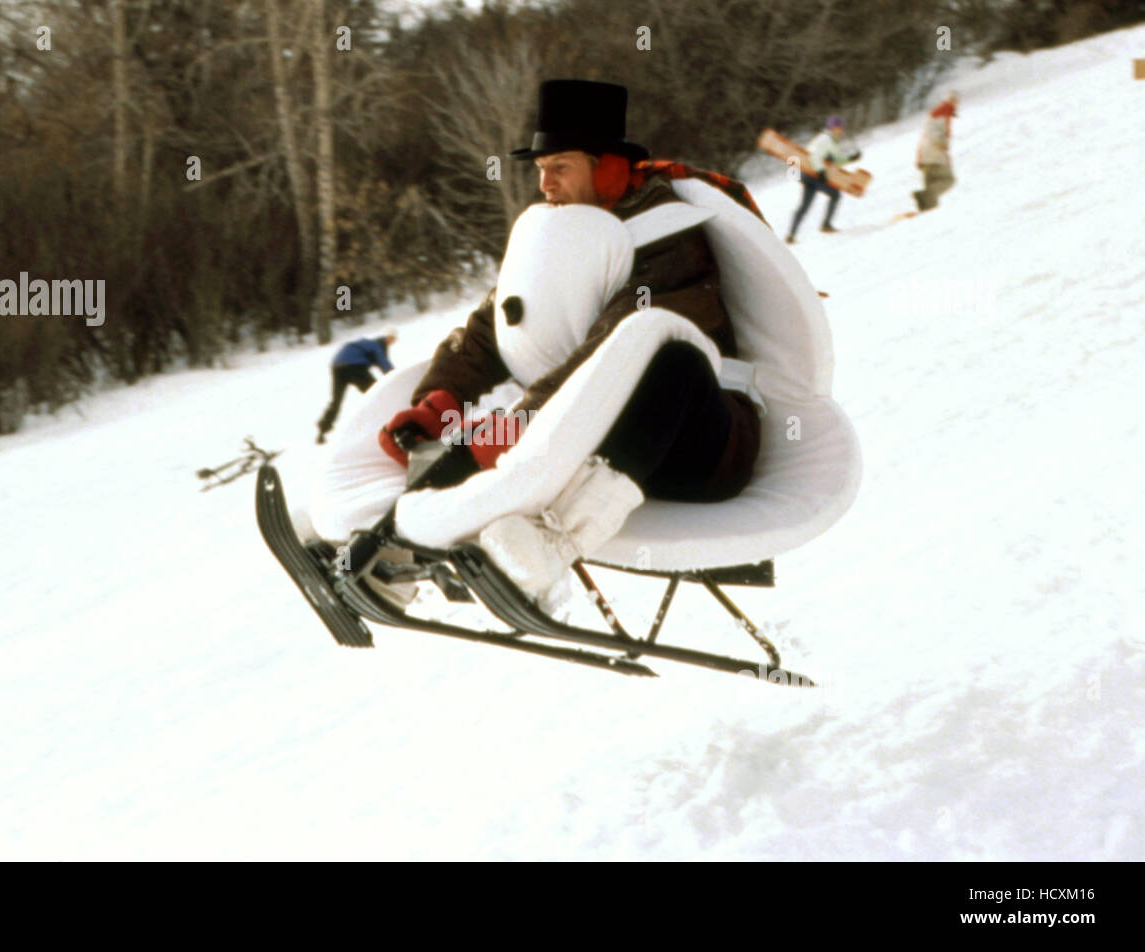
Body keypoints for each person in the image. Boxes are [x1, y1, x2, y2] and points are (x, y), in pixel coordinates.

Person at [376, 79, 766, 611]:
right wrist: (439, 401)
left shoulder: (668, 237)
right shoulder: (568, 232)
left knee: (666, 355)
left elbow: (614, 349)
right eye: (540, 169)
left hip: (700, 443)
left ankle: (553, 548)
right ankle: (385, 559)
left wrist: (524, 423)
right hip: (598, 436)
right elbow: (499, 322)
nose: (545, 183)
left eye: (559, 166)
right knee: (469, 445)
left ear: (606, 167)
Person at [786, 115, 861, 244]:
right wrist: (820, 171)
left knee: (804, 206)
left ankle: (791, 235)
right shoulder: (826, 140)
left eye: (841, 127)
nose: (841, 130)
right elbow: (815, 156)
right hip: (814, 176)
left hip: (808, 175)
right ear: (832, 128)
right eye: (838, 127)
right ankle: (826, 225)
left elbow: (835, 161)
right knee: (835, 194)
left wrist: (851, 158)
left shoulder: (828, 140)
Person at [316, 329, 396, 444]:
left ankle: (322, 431)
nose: (391, 343)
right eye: (391, 340)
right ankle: (383, 422)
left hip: (337, 366)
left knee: (336, 401)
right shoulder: (376, 345)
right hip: (354, 366)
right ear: (387, 338)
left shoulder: (366, 344)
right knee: (375, 392)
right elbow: (385, 365)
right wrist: (394, 377)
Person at [913, 92, 958, 212]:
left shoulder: (937, 113)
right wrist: (943, 142)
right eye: (955, 102)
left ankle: (924, 211)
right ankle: (924, 198)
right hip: (934, 155)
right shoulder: (941, 113)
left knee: (931, 186)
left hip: (926, 155)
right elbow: (933, 133)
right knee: (948, 180)